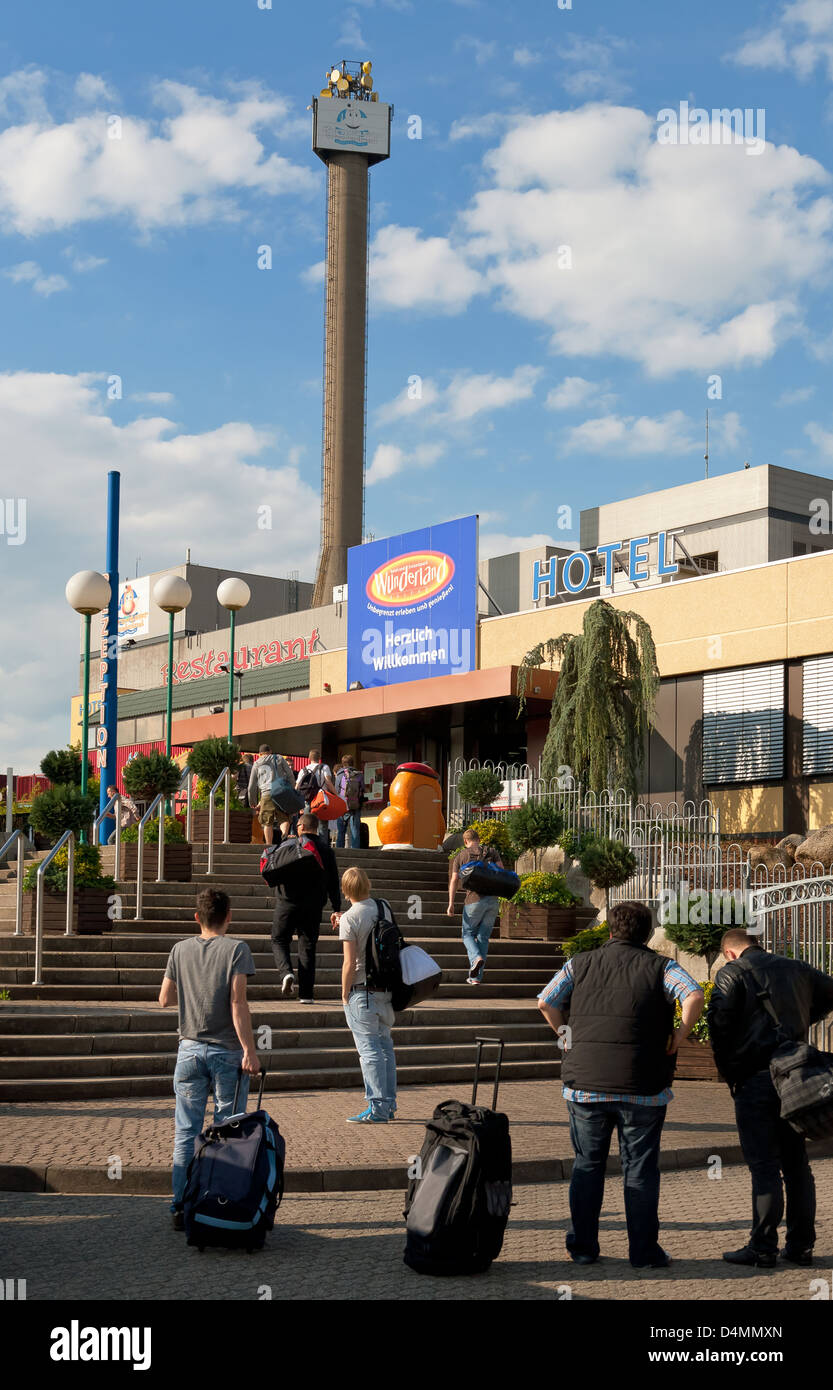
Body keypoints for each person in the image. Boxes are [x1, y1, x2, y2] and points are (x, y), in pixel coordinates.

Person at [538, 901, 704, 1268]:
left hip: (585, 1085)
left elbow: (546, 1002)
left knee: (587, 1165)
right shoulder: (663, 967)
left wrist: (565, 1035)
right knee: (641, 1169)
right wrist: (678, 1036)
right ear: (647, 933)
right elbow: (693, 995)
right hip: (643, 1087)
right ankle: (643, 1252)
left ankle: (583, 1247)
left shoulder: (578, 963)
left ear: (610, 930)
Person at [708, 927, 833, 1268]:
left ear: (730, 952)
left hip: (755, 1079)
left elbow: (719, 1028)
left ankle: (762, 1247)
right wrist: (806, 1018)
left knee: (764, 1165)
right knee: (797, 1165)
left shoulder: (730, 974)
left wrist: (730, 1073)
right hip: (796, 1079)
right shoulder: (797, 968)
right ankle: (801, 1246)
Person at [158, 887, 259, 1230]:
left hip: (188, 1049)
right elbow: (237, 1003)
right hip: (227, 1051)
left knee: (185, 1132)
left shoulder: (179, 949)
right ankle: (218, 1203)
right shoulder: (237, 950)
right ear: (229, 916)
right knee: (227, 1131)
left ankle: (178, 1205)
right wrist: (249, 1050)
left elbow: (164, 999)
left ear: (197, 918)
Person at [332, 866, 397, 1123]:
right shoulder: (384, 907)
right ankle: (389, 1104)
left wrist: (344, 993)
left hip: (362, 990)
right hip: (386, 989)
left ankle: (377, 1109)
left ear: (346, 890)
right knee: (385, 1047)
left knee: (369, 1051)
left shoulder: (349, 919)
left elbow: (349, 963)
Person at [271, 811, 341, 1003]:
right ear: (316, 828)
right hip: (314, 906)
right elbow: (334, 883)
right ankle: (306, 995)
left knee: (279, 939)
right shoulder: (326, 851)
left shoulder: (290, 846)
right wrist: (336, 908)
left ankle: (286, 972)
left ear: (300, 827)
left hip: (287, 903)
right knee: (308, 947)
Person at [447, 828, 504, 985]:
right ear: (478, 839)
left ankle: (476, 958)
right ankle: (475, 978)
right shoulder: (492, 851)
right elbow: (502, 872)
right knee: (483, 937)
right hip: (492, 901)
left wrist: (451, 903)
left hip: (474, 900)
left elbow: (454, 881)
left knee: (467, 934)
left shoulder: (461, 856)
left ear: (465, 841)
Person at [248, 743, 293, 846]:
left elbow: (251, 786)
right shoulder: (279, 758)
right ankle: (285, 833)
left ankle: (268, 845)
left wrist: (253, 802)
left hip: (266, 794)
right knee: (284, 819)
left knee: (267, 822)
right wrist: (291, 788)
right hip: (281, 793)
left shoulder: (257, 763)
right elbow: (290, 775)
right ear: (270, 752)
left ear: (260, 754)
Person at [295, 749, 337, 845]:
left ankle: (306, 845)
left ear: (309, 758)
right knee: (322, 825)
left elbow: (297, 787)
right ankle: (322, 847)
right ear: (319, 758)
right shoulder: (324, 767)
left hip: (307, 800)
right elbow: (328, 782)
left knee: (307, 825)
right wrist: (336, 794)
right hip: (321, 800)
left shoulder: (303, 770)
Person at [335, 755, 365, 850]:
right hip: (355, 805)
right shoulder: (359, 775)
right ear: (353, 763)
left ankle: (339, 851)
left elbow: (336, 790)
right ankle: (355, 851)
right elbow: (363, 789)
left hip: (343, 806)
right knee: (355, 830)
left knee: (341, 831)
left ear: (343, 764)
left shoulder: (340, 775)